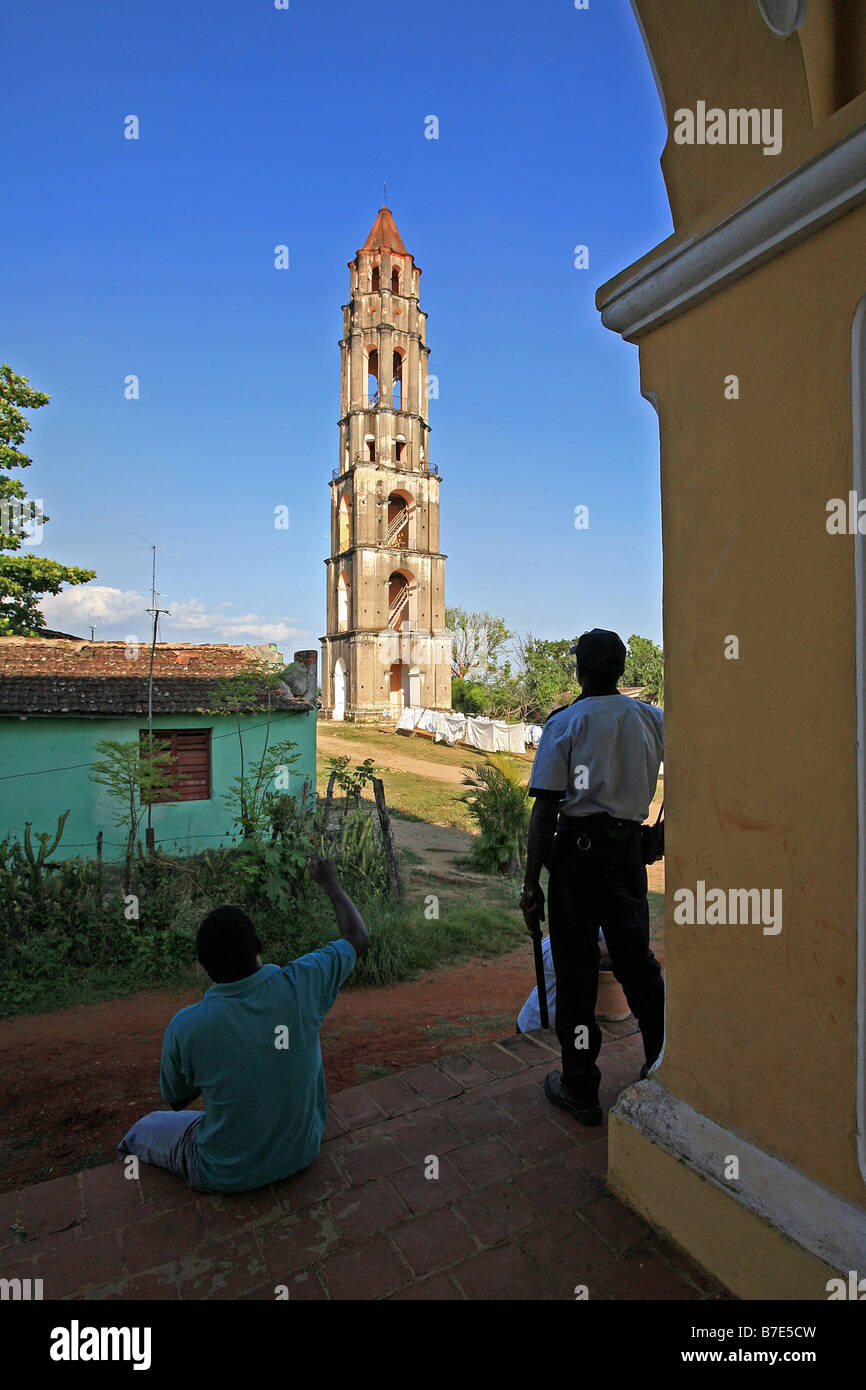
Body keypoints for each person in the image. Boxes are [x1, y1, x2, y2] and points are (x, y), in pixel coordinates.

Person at [117, 856, 368, 1192]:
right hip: (303, 1151)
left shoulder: (187, 1026)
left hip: (224, 1172)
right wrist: (329, 882)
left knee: (143, 1129)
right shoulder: (302, 983)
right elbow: (357, 938)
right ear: (258, 948)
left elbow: (175, 1098)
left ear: (205, 966)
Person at [519, 628, 664, 1125]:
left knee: (578, 972)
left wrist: (529, 882)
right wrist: (660, 830)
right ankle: (662, 1065)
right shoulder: (651, 719)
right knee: (636, 962)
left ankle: (580, 1087)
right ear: (621, 669)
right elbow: (693, 768)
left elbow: (544, 811)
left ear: (579, 670)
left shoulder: (566, 724)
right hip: (626, 856)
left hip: (577, 859)